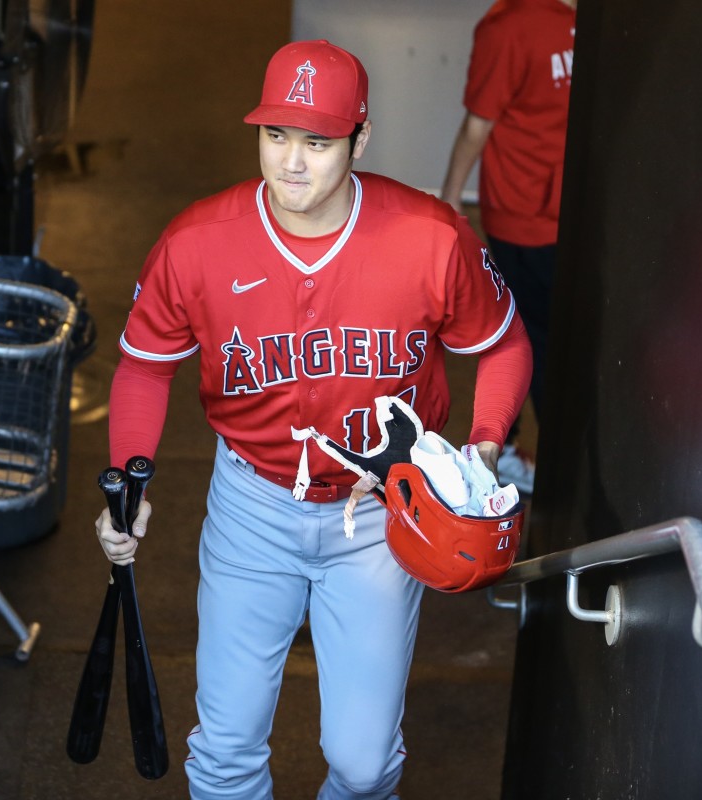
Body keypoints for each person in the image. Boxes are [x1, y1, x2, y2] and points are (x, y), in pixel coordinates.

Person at [95, 39, 532, 800]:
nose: (292, 162)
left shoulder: (431, 238)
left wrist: (485, 448)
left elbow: (505, 347)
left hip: (384, 515)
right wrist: (131, 483)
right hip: (252, 507)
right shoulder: (196, 242)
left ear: (359, 141)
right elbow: (142, 364)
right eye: (276, 136)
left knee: (364, 766)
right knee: (227, 752)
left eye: (318, 142)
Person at [440, 0, 578, 495]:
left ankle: (539, 456)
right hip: (525, 215)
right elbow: (478, 125)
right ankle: (517, 455)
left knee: (557, 338)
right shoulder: (509, 28)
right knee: (529, 339)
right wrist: (451, 205)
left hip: (571, 207)